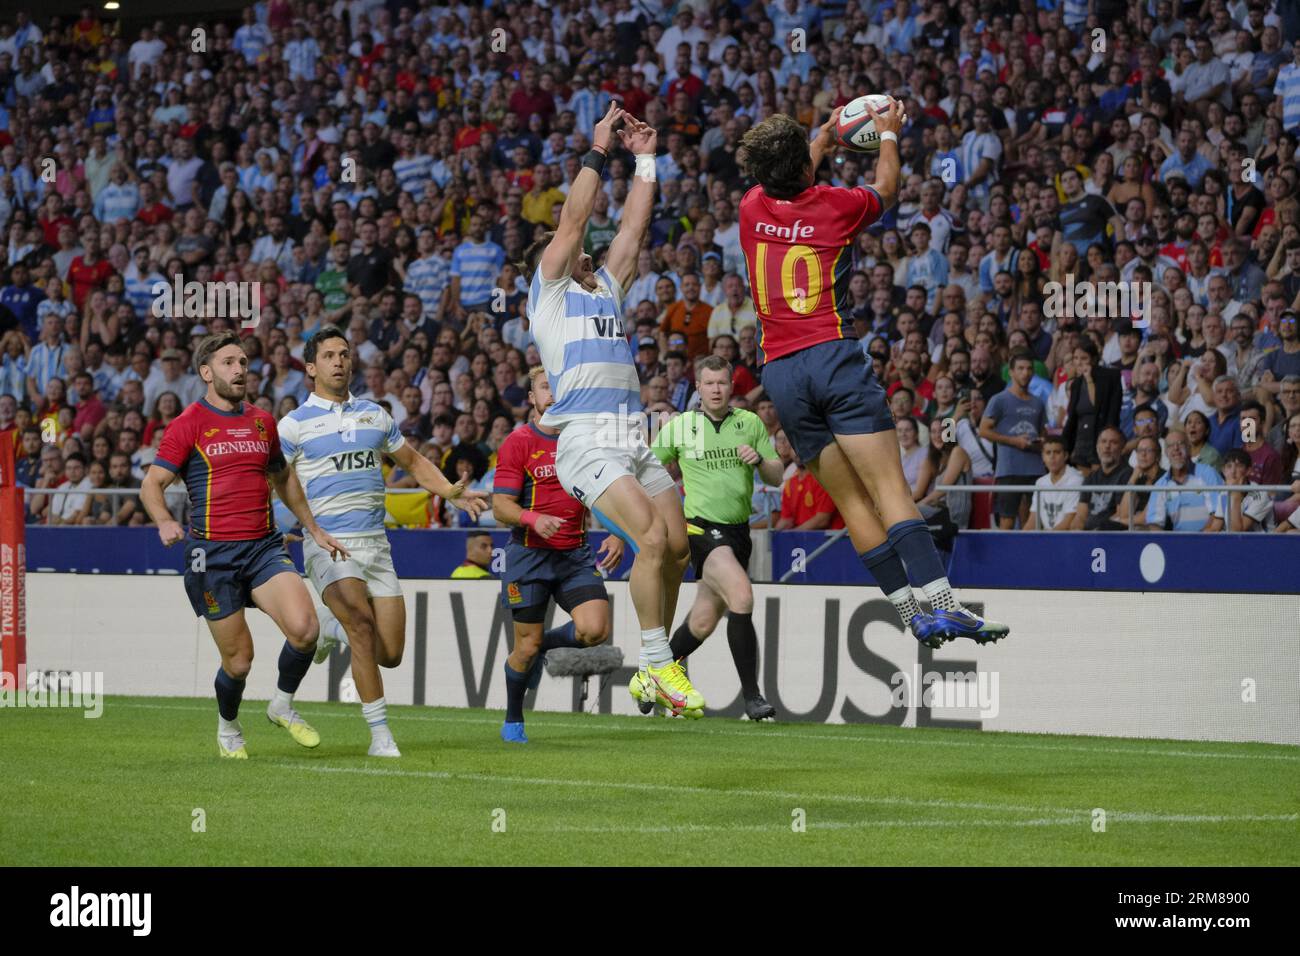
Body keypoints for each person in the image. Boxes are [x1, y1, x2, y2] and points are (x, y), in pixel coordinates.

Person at [737, 100, 1008, 648]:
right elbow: (889, 186)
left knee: (853, 502)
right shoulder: (837, 206)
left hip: (781, 374)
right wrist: (885, 133)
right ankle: (946, 604)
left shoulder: (749, 207)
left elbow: (791, 169)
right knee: (890, 487)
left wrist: (823, 140)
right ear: (805, 168)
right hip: (832, 356)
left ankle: (912, 614)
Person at [522, 103, 704, 716]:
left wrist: (646, 157)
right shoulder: (549, 295)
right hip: (585, 441)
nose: (575, 246)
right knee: (649, 537)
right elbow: (574, 220)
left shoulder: (606, 288)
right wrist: (599, 150)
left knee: (677, 547)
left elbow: (633, 228)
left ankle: (656, 668)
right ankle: (658, 663)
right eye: (561, 245)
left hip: (632, 435)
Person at [278, 325, 487, 758]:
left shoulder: (376, 414)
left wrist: (449, 489)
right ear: (311, 368)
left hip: (377, 545)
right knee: (361, 625)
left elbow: (412, 460)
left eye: (345, 354)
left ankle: (328, 628)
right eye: (330, 356)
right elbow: (275, 481)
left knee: (389, 653)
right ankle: (380, 736)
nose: (339, 361)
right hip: (328, 543)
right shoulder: (293, 426)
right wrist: (279, 524)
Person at [139, 332, 348, 759]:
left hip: (263, 548)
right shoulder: (188, 424)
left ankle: (281, 705)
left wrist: (313, 528)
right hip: (212, 556)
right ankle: (229, 726)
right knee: (239, 662)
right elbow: (152, 483)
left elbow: (283, 477)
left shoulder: (262, 421)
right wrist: (163, 520)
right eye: (229, 362)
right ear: (206, 372)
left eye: (243, 362)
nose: (239, 370)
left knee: (306, 630)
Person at [491, 367, 623, 743]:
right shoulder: (518, 442)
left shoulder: (584, 442)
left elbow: (608, 493)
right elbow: (500, 506)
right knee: (524, 647)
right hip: (529, 557)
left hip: (573, 555)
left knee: (595, 629)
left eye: (558, 386)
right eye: (545, 387)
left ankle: (540, 648)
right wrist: (532, 518)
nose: (553, 393)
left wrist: (616, 532)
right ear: (532, 397)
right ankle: (514, 719)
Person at [651, 355, 785, 721]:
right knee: (741, 597)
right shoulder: (680, 427)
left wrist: (759, 460)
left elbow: (777, 476)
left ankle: (651, 677)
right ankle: (753, 698)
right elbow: (647, 468)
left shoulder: (750, 423)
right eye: (708, 383)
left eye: (722, 383)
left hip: (739, 532)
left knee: (702, 623)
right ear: (698, 387)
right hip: (701, 531)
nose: (715, 389)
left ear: (731, 386)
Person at [980, 350, 1047, 529]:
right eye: (1020, 368)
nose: (1025, 373)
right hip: (1009, 469)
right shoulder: (999, 399)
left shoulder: (1038, 402)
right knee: (1007, 520)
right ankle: (1004, 557)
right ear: (1011, 372)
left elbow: (1042, 432)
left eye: (1029, 369)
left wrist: (1041, 443)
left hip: (1036, 469)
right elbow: (984, 430)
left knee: (1035, 521)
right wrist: (1014, 441)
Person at [1025, 436, 1084, 530]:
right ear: (1043, 457)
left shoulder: (1076, 480)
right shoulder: (1040, 482)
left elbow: (1069, 521)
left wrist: (1047, 540)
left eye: (1057, 452)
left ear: (1065, 456)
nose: (1052, 457)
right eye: (1048, 453)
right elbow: (1033, 520)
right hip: (1049, 537)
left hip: (1067, 539)